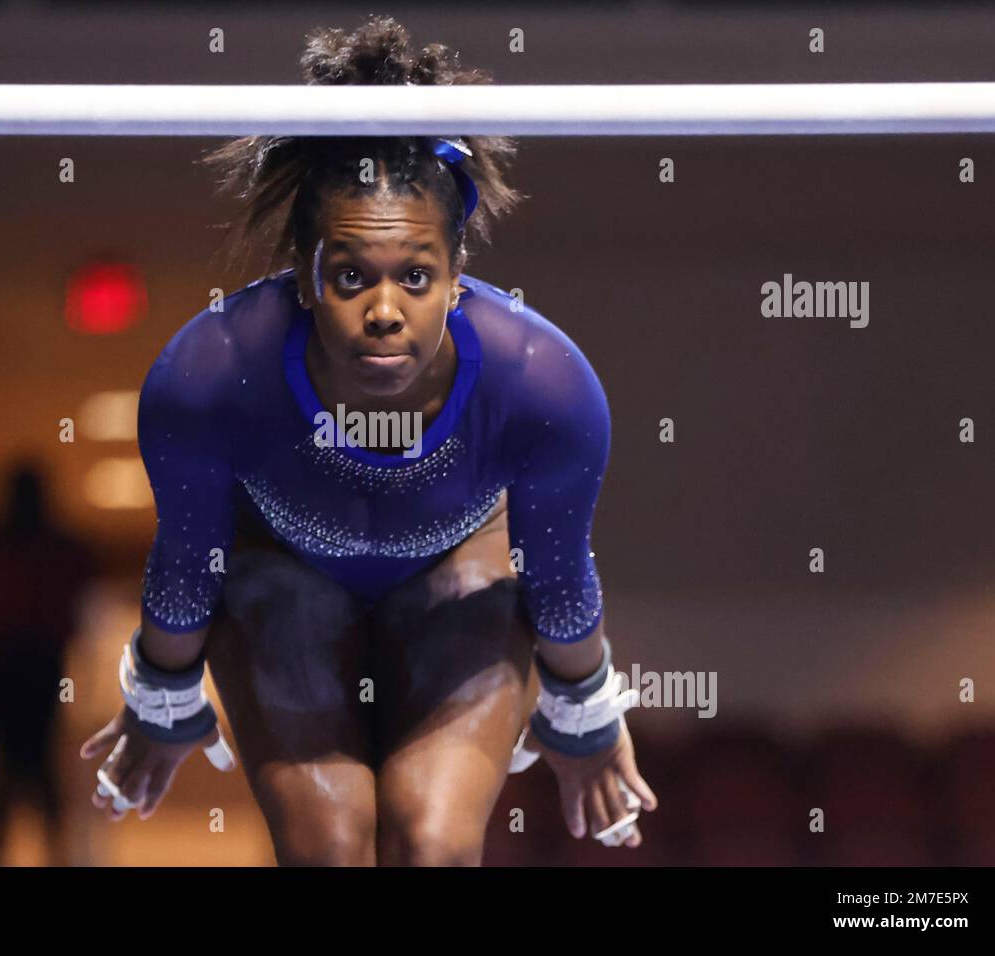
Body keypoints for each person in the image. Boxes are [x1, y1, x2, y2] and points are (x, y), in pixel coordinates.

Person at [80, 15, 657, 866]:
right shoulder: (212, 374)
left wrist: (585, 711)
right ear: (304, 275)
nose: (384, 309)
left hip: (459, 577)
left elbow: (559, 573)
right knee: (331, 848)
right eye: (351, 275)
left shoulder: (543, 385)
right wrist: (162, 692)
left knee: (431, 843)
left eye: (415, 277)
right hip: (282, 578)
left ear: (458, 278)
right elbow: (187, 559)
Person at [0, 463, 95, 866]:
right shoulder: (50, 546)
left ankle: (18, 853)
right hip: (25, 663)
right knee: (24, 766)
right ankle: (41, 853)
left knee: (17, 766)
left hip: (18, 664)